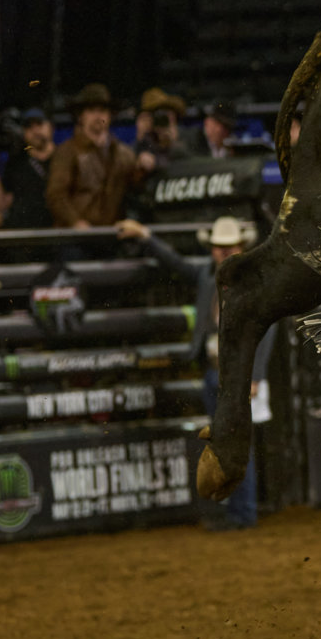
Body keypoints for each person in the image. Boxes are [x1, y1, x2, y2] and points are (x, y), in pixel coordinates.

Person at [117, 215, 274, 529]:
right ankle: (238, 512)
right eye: (218, 247)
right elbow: (175, 262)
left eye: (228, 247)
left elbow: (267, 330)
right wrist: (147, 235)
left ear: (240, 247)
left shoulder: (251, 281)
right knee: (226, 443)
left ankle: (242, 513)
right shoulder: (209, 274)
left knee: (234, 444)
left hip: (236, 375)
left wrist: (254, 377)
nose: (222, 253)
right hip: (216, 372)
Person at [46, 83, 141, 228]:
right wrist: (75, 221)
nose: (98, 116)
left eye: (102, 110)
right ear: (81, 116)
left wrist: (142, 170)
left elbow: (134, 188)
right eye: (91, 110)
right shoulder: (67, 151)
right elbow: (56, 196)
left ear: (110, 116)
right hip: (74, 236)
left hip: (110, 235)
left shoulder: (123, 153)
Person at [0, 108, 56, 230]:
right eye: (29, 127)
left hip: (59, 230)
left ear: (51, 127)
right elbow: (6, 201)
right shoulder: (15, 162)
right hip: (26, 232)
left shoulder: (64, 157)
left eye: (40, 124)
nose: (35, 130)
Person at [135, 88, 189, 176]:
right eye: (156, 114)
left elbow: (192, 161)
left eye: (165, 112)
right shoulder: (146, 143)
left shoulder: (188, 135)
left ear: (173, 114)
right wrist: (141, 137)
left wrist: (174, 141)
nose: (161, 118)